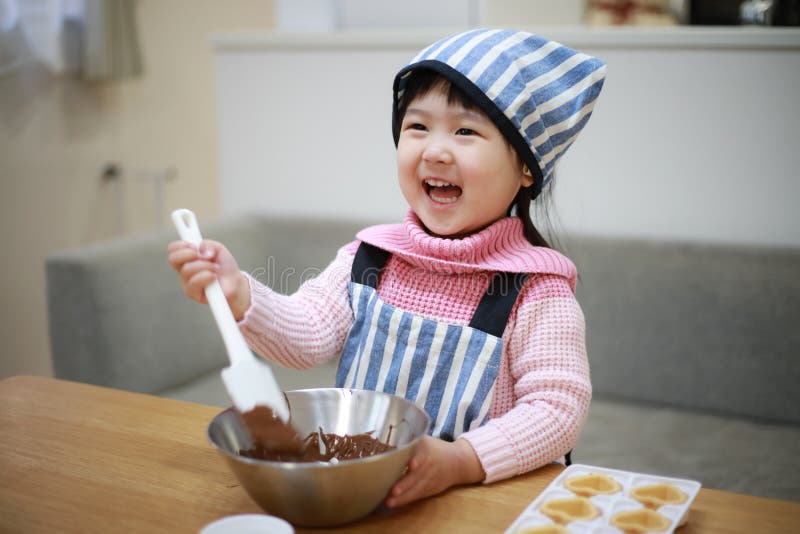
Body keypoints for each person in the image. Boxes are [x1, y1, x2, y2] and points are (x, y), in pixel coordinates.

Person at [168, 28, 606, 508]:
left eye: (466, 131)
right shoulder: (370, 256)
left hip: (475, 502)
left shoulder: (536, 292)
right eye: (417, 127)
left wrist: (461, 460)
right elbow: (308, 334)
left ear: (526, 167)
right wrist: (238, 293)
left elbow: (557, 411)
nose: (435, 150)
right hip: (359, 492)